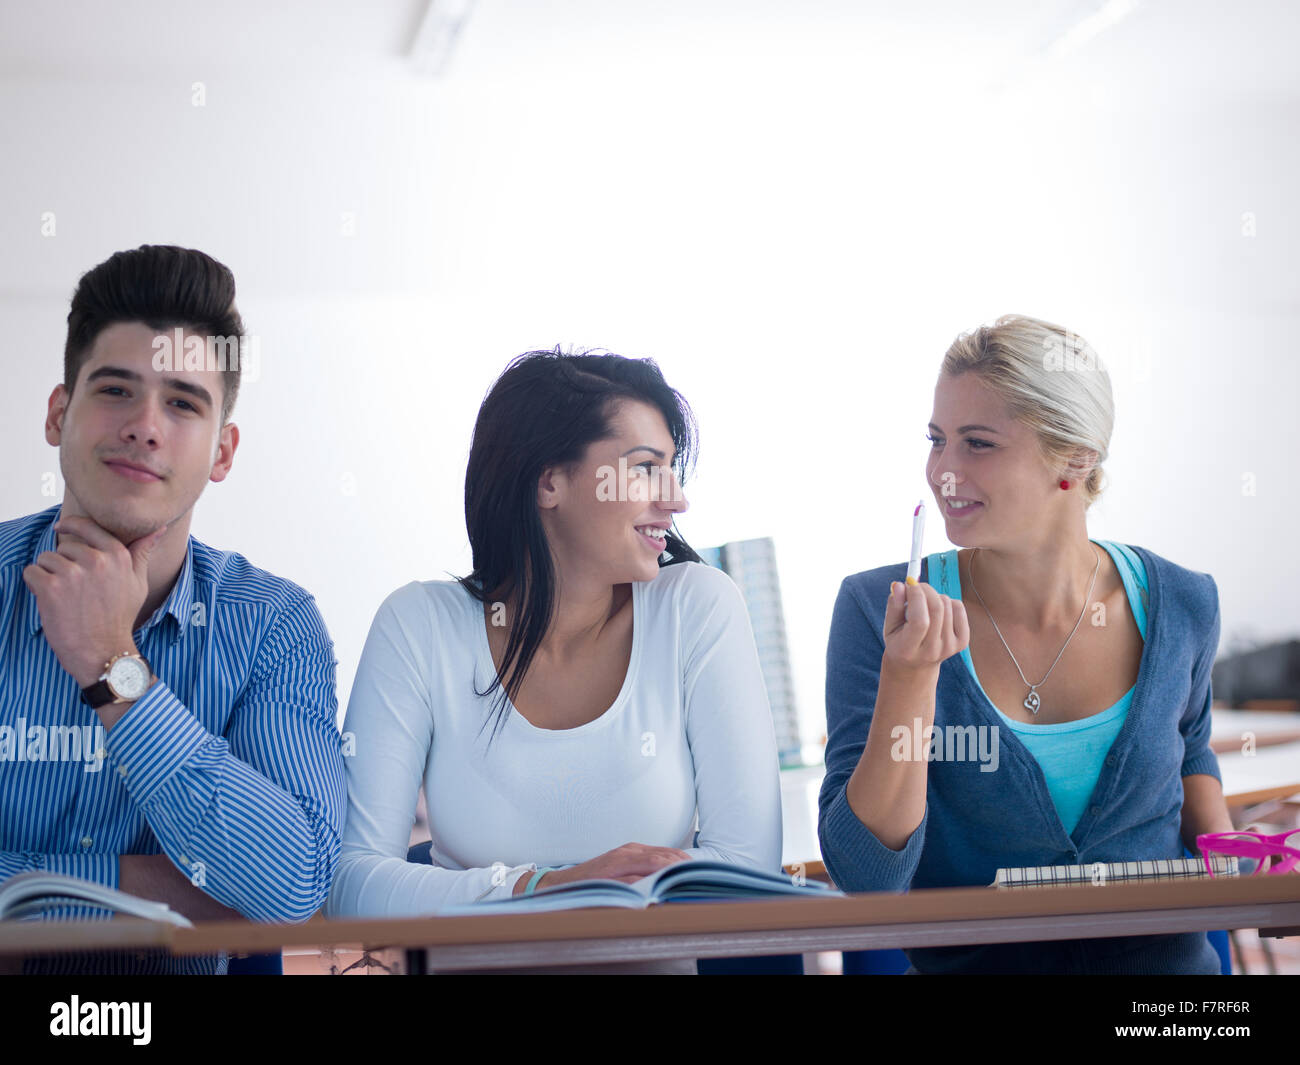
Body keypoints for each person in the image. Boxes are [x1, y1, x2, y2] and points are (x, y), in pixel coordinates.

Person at [326, 349, 782, 952]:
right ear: (549, 481)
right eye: (644, 468)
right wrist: (543, 886)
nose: (675, 500)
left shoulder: (696, 607)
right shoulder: (418, 626)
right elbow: (350, 885)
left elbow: (747, 873)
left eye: (673, 470)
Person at [819, 314, 1232, 974]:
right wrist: (909, 680)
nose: (943, 472)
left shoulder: (1182, 601)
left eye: (977, 443)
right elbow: (866, 876)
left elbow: (1189, 748)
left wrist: (1244, 862)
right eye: (936, 440)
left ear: (1076, 457)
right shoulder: (879, 610)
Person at [0, 245, 347, 974]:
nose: (145, 426)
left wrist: (112, 664)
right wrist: (162, 892)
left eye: (182, 402)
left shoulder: (273, 625)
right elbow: (242, 895)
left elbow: (290, 886)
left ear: (222, 452)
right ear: (59, 413)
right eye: (116, 390)